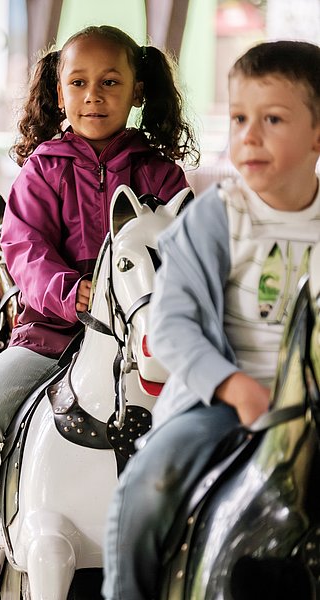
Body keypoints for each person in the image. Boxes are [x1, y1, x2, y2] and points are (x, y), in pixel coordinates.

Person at [0, 25, 199, 600]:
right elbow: (21, 248)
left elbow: (178, 247)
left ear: (138, 92)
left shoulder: (160, 176)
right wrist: (66, 291)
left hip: (138, 341)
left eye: (110, 83)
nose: (93, 97)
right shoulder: (43, 170)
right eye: (78, 83)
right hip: (50, 336)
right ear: (58, 93)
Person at [101, 39, 320, 600]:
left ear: (318, 133)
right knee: (148, 486)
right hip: (220, 403)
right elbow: (172, 325)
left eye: (272, 119)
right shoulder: (216, 216)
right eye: (240, 117)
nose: (249, 135)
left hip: (313, 405)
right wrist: (235, 386)